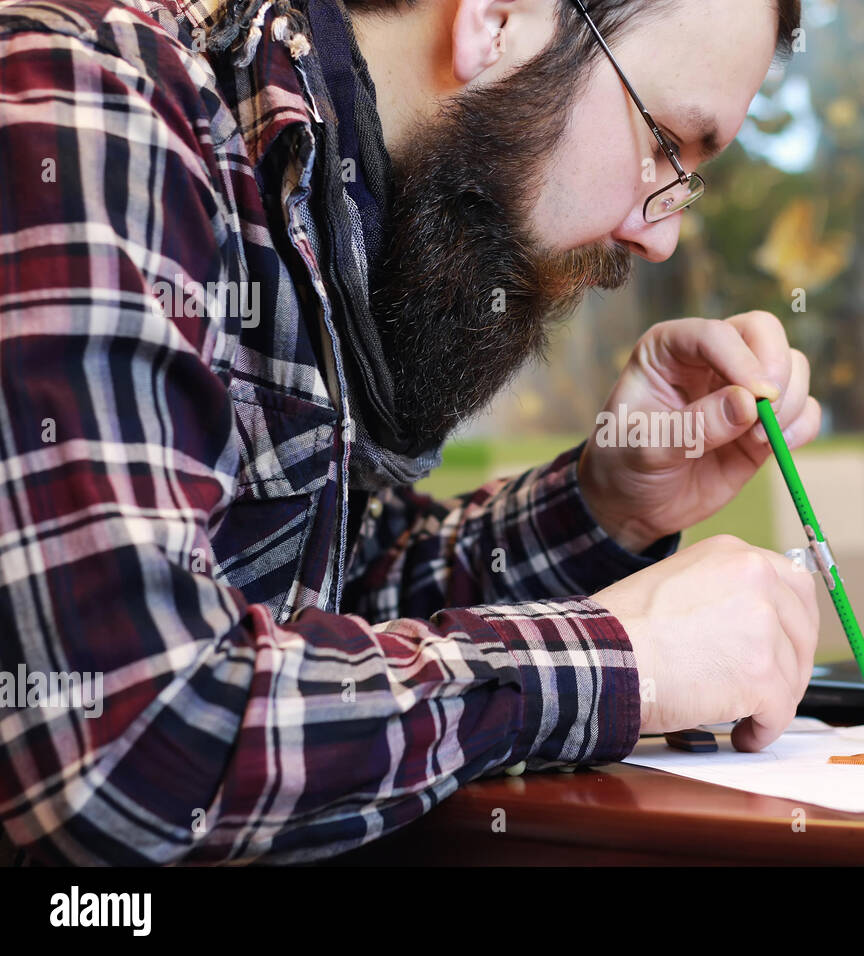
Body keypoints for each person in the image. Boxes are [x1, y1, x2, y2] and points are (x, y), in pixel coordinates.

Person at [0, 0, 820, 864]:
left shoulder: (328, 196)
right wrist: (626, 660)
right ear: (498, 18)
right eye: (666, 142)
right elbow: (124, 736)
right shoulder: (92, 100)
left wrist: (606, 506)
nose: (662, 236)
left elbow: (319, 626)